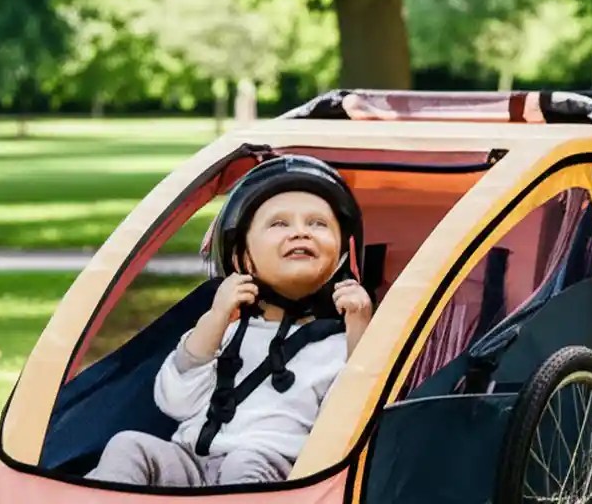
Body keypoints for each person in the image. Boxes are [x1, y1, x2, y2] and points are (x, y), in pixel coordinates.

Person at [86, 155, 375, 487]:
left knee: (245, 461)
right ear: (242, 257)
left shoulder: (339, 345)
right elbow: (175, 401)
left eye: (318, 224)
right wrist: (216, 317)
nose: (300, 233)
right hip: (190, 463)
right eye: (279, 224)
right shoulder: (224, 331)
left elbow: (353, 419)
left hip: (273, 470)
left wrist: (359, 331)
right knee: (127, 445)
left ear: (342, 255)